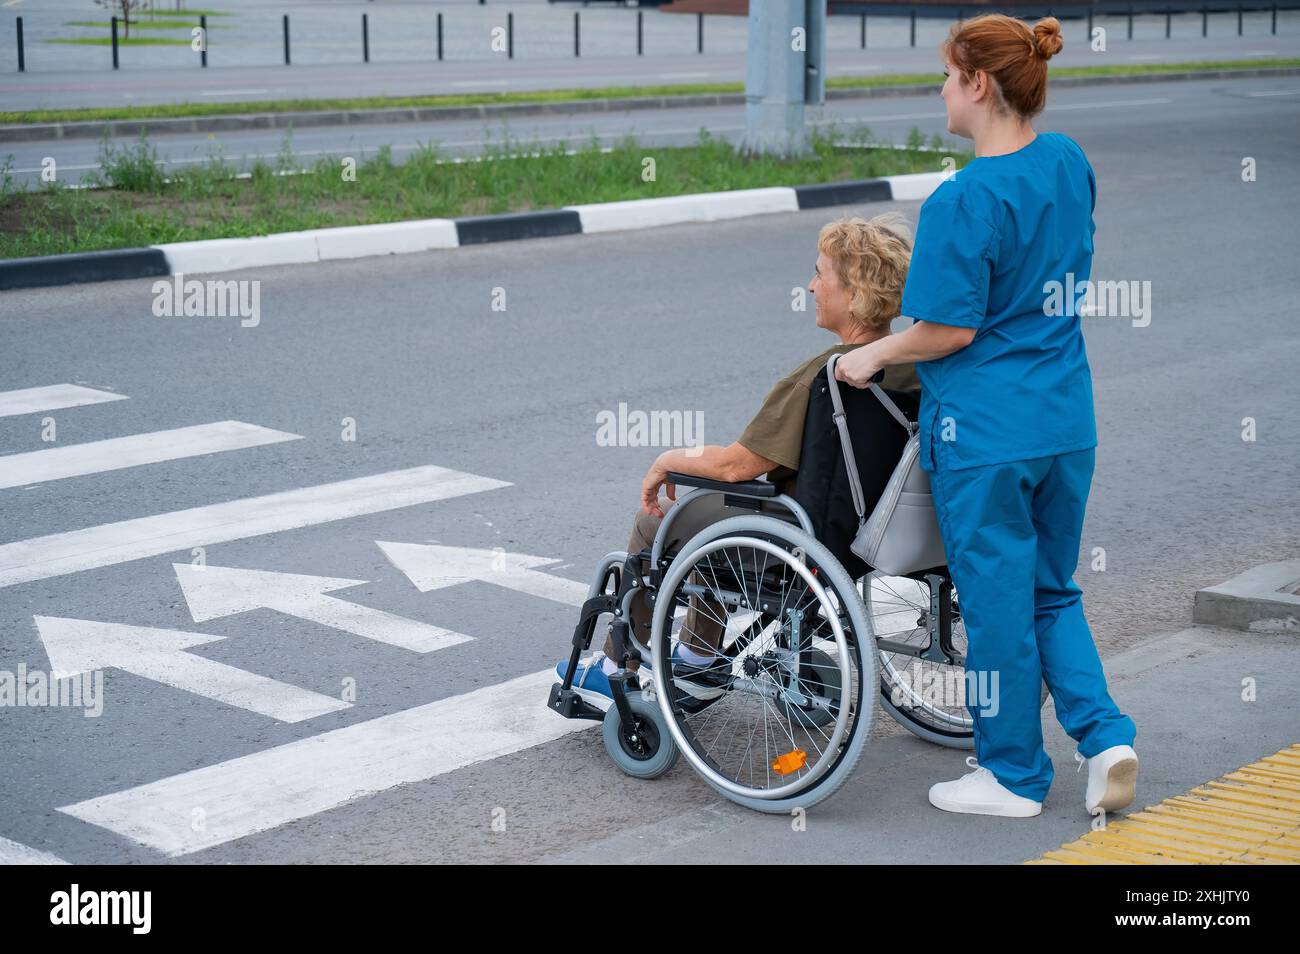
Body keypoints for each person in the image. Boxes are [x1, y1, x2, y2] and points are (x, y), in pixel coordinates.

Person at [833, 14, 1139, 819]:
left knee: (998, 605)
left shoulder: (963, 198)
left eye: (944, 73)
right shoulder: (1069, 163)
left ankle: (1010, 776)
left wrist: (872, 354)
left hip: (986, 436)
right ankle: (1106, 738)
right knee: (1052, 591)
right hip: (1066, 420)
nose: (939, 88)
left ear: (977, 83)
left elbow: (950, 330)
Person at [558, 213, 919, 706]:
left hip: (801, 539)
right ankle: (697, 658)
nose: (810, 286)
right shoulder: (910, 367)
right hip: (865, 536)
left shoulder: (823, 376)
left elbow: (737, 466)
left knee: (659, 522)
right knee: (715, 512)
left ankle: (615, 667)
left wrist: (667, 459)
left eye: (820, 274)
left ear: (853, 292)